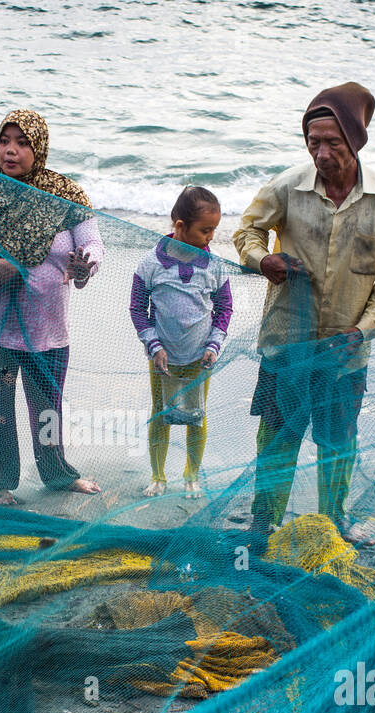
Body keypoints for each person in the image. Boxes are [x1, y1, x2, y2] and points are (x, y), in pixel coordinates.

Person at [233, 82, 375, 539]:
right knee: (276, 437)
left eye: (333, 142)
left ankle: (333, 520)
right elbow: (246, 233)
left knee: (337, 442)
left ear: (356, 140)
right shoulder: (286, 187)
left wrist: (363, 330)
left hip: (345, 353)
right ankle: (264, 519)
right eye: (314, 143)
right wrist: (262, 259)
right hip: (285, 343)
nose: (323, 153)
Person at [0, 109, 103, 505]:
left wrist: (86, 263)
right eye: (4, 141)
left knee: (47, 408)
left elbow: (94, 244)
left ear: (40, 148)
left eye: (22, 143)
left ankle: (57, 473)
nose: (10, 151)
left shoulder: (64, 195)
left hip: (48, 327)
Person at [129, 186, 233, 499]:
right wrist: (154, 345)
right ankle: (158, 476)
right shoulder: (151, 264)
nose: (210, 237)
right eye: (205, 230)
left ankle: (191, 476)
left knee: (195, 415)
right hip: (162, 357)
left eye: (214, 230)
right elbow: (137, 307)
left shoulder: (214, 266)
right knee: (161, 413)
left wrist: (214, 345)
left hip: (200, 357)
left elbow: (224, 308)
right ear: (180, 227)